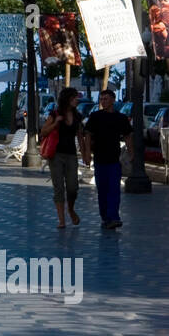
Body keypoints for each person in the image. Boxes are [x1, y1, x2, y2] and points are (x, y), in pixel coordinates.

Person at [84, 89, 133, 229]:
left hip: (114, 160)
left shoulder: (121, 118)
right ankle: (105, 217)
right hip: (99, 159)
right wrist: (87, 153)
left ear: (113, 100)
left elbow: (128, 136)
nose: (103, 101)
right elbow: (87, 135)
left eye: (106, 99)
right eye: (101, 99)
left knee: (114, 190)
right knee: (103, 191)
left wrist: (131, 153)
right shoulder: (95, 116)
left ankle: (114, 217)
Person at [40, 86, 84, 228]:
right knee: (58, 187)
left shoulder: (77, 116)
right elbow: (43, 132)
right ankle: (62, 220)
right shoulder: (55, 113)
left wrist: (85, 155)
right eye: (74, 97)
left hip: (71, 155)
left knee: (73, 187)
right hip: (56, 155)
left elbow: (80, 137)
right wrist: (55, 123)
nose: (77, 100)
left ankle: (70, 210)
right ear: (68, 99)